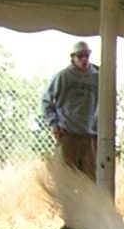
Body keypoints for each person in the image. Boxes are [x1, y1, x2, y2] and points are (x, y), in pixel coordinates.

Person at [42, 40, 99, 178]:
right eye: (80, 56)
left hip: (89, 135)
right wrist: (54, 124)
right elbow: (46, 101)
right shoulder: (63, 77)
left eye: (86, 55)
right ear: (73, 58)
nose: (84, 60)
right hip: (68, 134)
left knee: (89, 179)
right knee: (66, 178)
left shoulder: (97, 77)